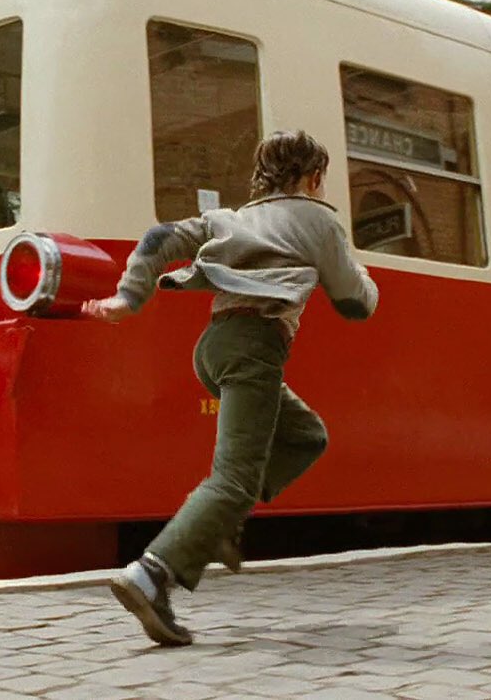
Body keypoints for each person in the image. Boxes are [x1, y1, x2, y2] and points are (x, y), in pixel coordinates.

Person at [80, 130, 378, 646]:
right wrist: (365, 276)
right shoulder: (317, 218)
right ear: (313, 179)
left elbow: (158, 238)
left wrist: (129, 298)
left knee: (307, 436)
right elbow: (356, 302)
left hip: (213, 348)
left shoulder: (232, 219)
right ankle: (150, 574)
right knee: (234, 478)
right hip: (254, 348)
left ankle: (217, 524)